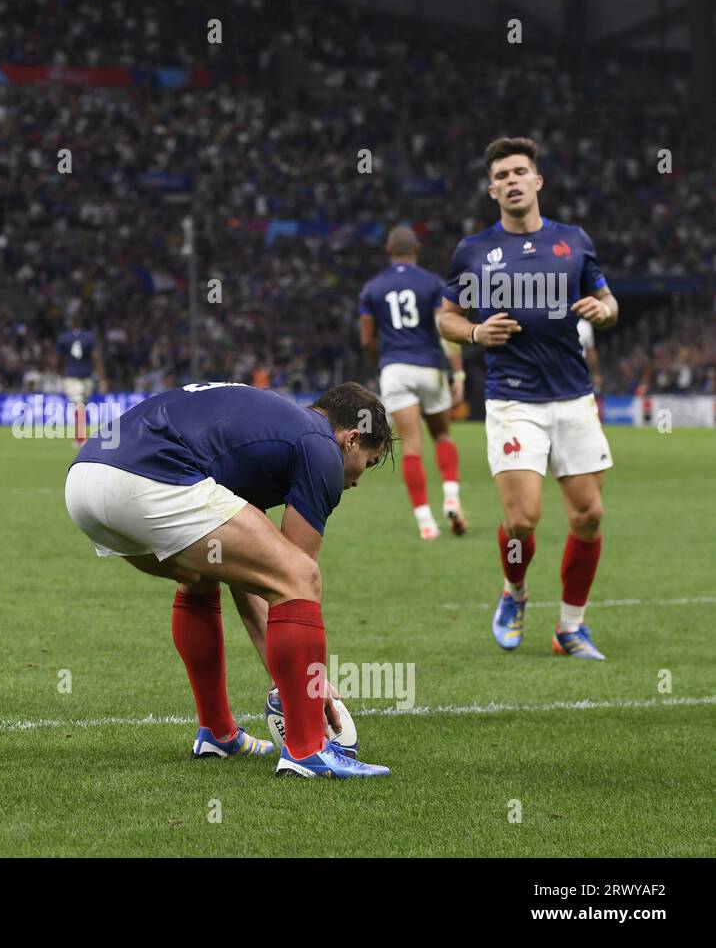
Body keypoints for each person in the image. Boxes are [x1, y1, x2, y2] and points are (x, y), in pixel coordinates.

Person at [65, 381, 393, 778]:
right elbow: (294, 580)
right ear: (351, 438)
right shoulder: (320, 445)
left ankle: (218, 732)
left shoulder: (272, 429)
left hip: (85, 482)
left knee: (201, 575)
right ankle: (308, 750)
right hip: (145, 477)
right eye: (368, 463)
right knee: (299, 575)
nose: (358, 480)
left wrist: (287, 679)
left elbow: (253, 577)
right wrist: (310, 682)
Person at [437, 136, 617, 659]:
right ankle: (514, 593)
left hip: (573, 396)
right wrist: (473, 333)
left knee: (588, 514)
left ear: (537, 181)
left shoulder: (573, 242)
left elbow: (608, 300)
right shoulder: (474, 251)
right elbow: (446, 317)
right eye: (502, 176)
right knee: (522, 520)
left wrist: (604, 311)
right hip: (513, 400)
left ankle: (570, 627)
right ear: (492, 190)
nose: (512, 180)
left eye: (520, 172)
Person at [359, 226, 467, 539]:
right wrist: (457, 372)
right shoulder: (432, 283)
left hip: (396, 369)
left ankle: (426, 523)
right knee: (443, 435)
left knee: (411, 446)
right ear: (416, 248)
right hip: (430, 367)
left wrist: (380, 364)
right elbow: (447, 329)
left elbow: (367, 340)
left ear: (388, 250)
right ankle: (452, 499)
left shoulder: (372, 288)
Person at [57, 323, 106, 447]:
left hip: (72, 375)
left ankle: (80, 437)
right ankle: (80, 438)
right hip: (86, 376)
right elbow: (96, 357)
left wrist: (60, 372)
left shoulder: (64, 337)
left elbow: (59, 357)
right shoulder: (89, 337)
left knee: (80, 405)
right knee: (80, 405)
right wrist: (102, 378)